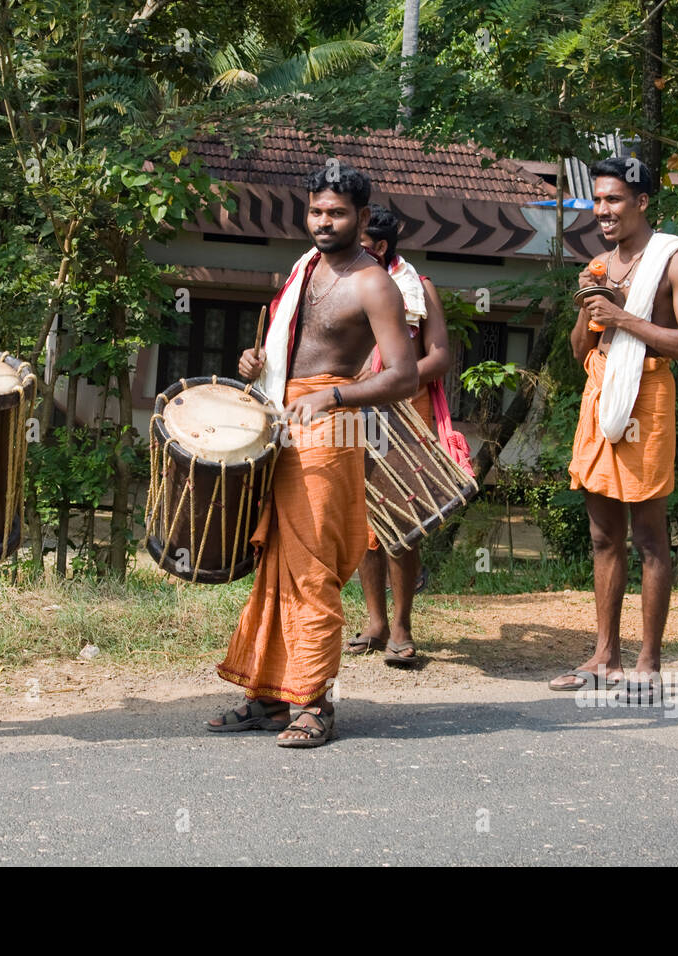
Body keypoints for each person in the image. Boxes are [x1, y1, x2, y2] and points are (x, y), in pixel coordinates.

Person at [208, 166, 417, 746]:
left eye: (338, 213)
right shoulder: (303, 269)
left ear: (363, 216)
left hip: (331, 427)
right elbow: (288, 350)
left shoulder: (373, 283)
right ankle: (271, 698)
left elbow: (402, 375)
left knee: (312, 571)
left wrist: (334, 394)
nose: (325, 222)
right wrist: (256, 361)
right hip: (280, 418)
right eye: (317, 211)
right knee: (277, 564)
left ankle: (315, 705)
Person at [550, 157, 678, 698]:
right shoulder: (598, 265)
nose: (603, 211)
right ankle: (603, 656)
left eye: (614, 199)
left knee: (648, 536)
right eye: (597, 201)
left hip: (648, 395)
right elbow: (580, 351)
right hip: (601, 392)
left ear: (642, 202)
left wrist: (625, 318)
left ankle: (649, 661)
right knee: (601, 534)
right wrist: (587, 307)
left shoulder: (674, 259)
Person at [344, 204, 452, 666]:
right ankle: (375, 622)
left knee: (403, 522)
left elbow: (440, 355)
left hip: (407, 413)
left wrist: (399, 378)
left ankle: (402, 627)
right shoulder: (348, 283)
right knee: (365, 520)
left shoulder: (418, 287)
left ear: (381, 247)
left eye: (362, 245)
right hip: (355, 411)